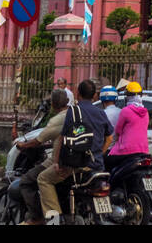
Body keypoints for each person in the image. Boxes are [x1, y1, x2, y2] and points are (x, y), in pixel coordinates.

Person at [55, 79, 114, 222]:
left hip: (77, 167)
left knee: (46, 180)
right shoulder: (101, 113)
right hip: (98, 166)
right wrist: (98, 152)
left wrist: (57, 162)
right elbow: (109, 138)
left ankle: (54, 220)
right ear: (94, 96)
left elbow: (63, 139)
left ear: (78, 94)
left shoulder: (73, 112)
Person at [14, 87, 69, 226]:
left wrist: (23, 145)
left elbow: (38, 140)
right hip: (84, 161)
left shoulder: (57, 120)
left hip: (62, 162)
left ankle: (39, 217)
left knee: (29, 180)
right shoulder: (76, 114)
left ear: (53, 105)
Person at [106, 81, 149, 170]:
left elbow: (118, 131)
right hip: (144, 151)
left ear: (128, 96)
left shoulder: (126, 111)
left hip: (126, 151)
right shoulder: (145, 112)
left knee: (107, 161)